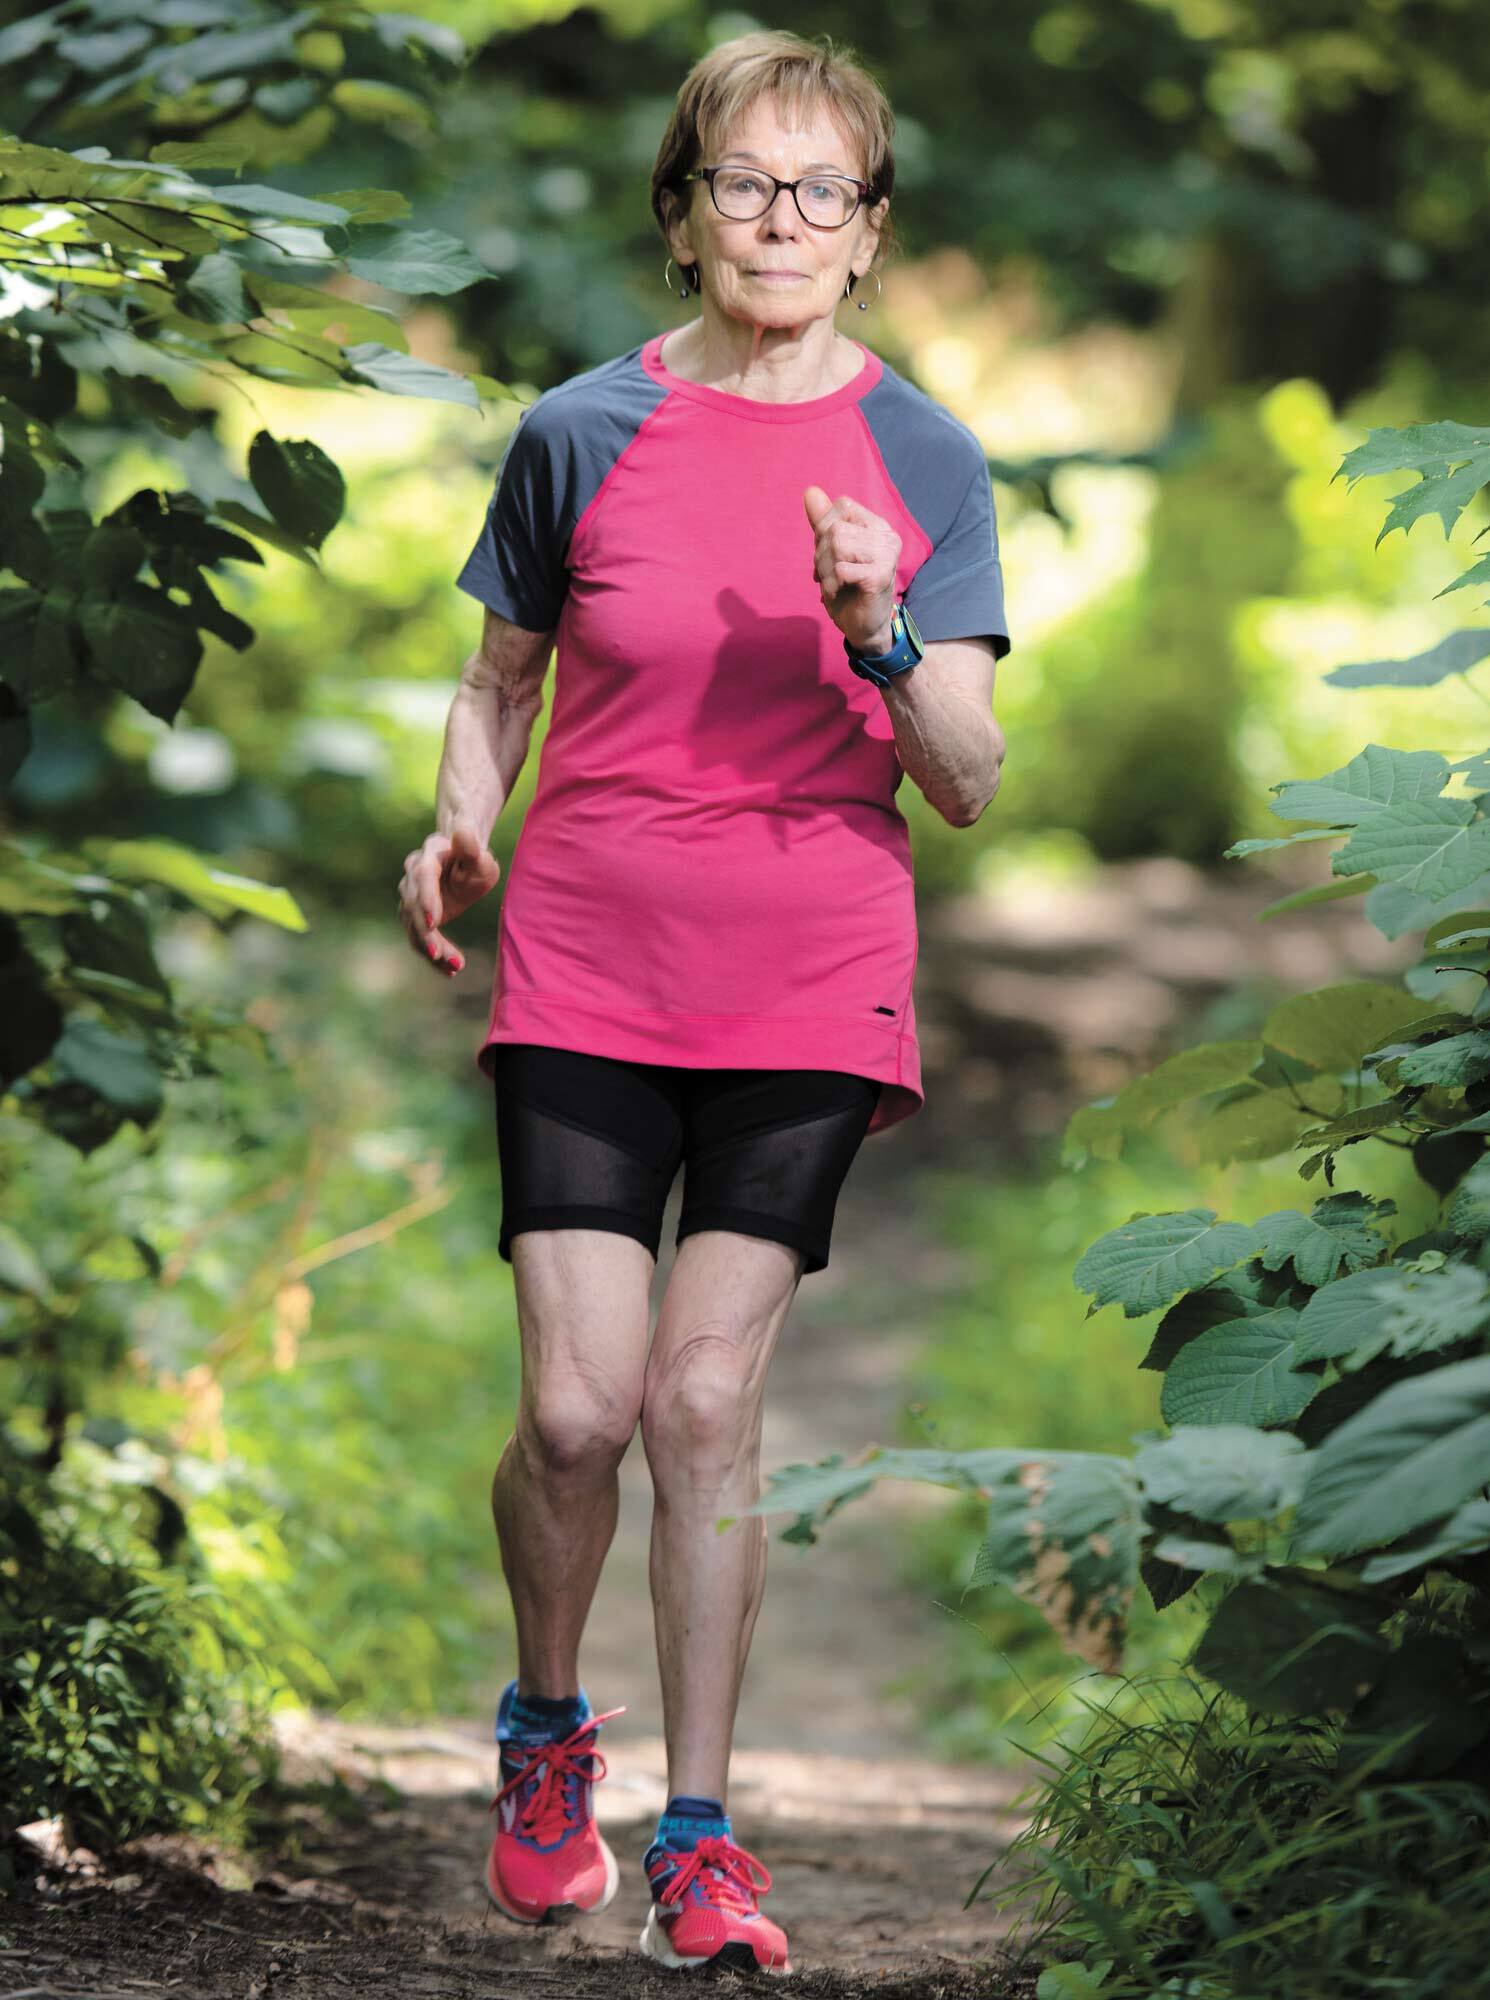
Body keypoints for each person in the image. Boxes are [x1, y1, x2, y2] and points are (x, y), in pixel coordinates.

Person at [396, 26, 1011, 1979]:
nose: (780, 219)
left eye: (820, 189)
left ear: (870, 230)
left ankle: (706, 1835)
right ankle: (547, 1729)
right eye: (743, 181)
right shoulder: (582, 428)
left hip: (811, 972)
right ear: (681, 214)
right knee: (574, 1410)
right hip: (584, 951)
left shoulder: (918, 456)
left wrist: (879, 627)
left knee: (700, 1394)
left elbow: (972, 772)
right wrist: (454, 827)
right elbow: (496, 682)